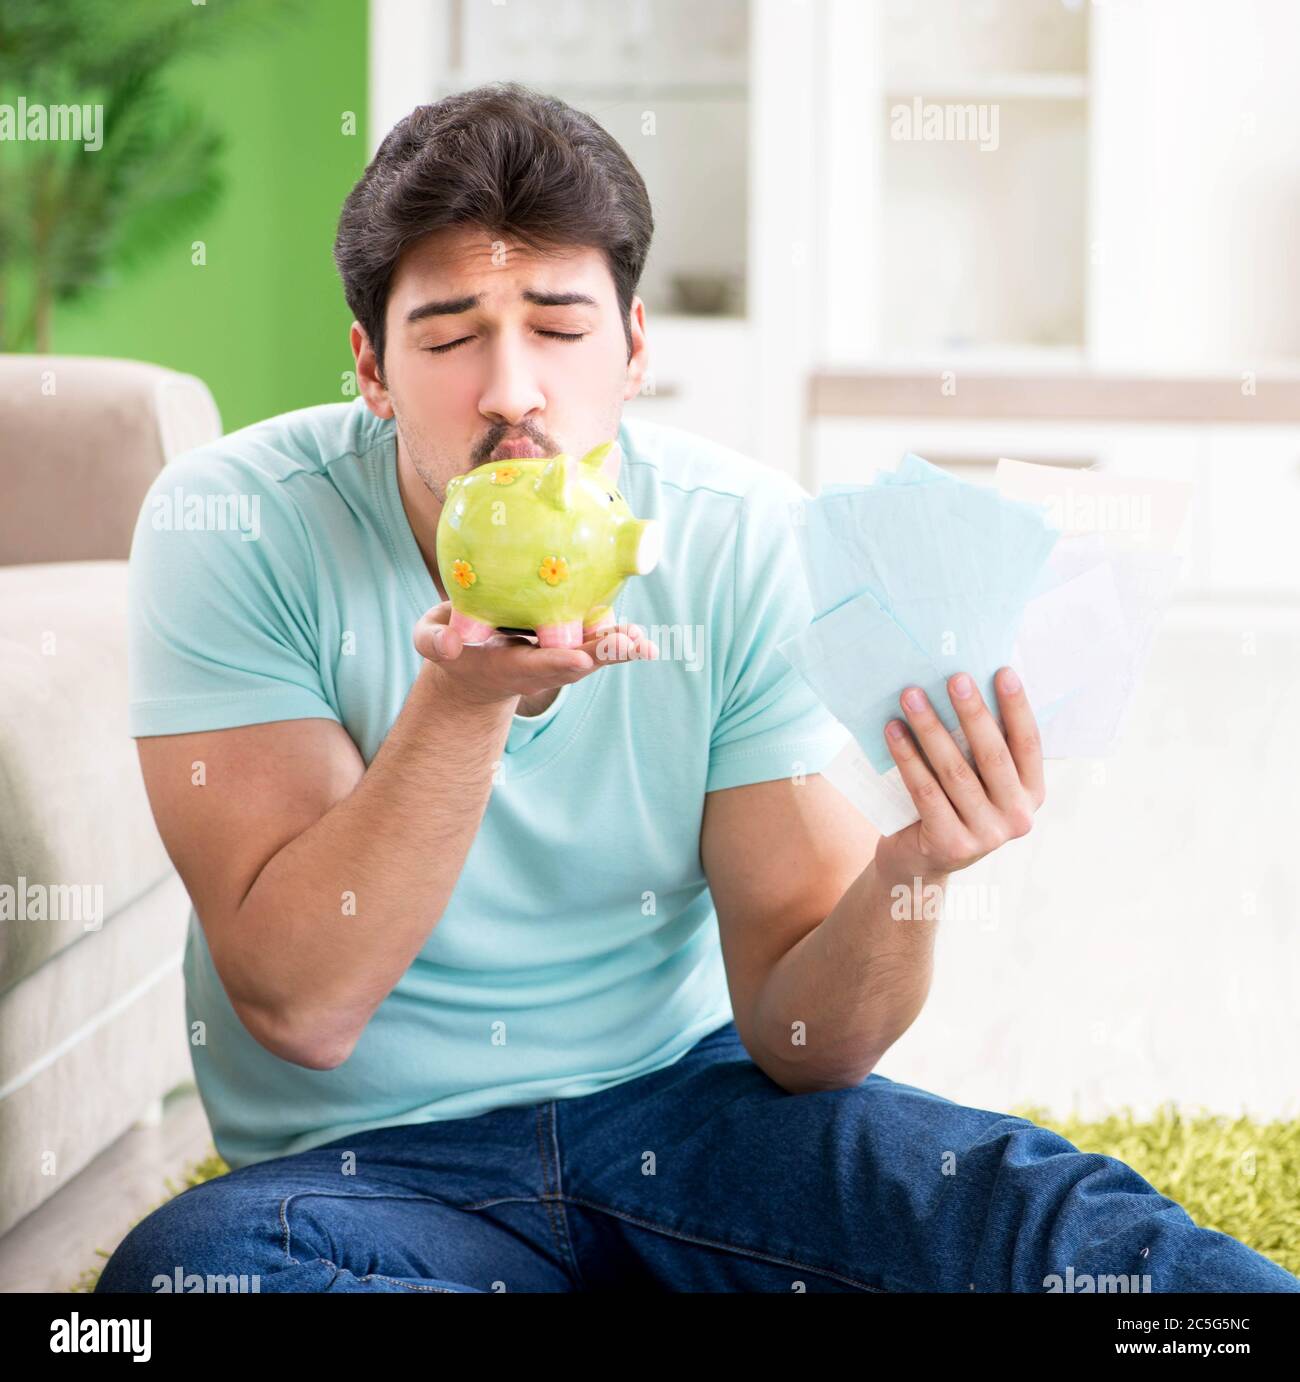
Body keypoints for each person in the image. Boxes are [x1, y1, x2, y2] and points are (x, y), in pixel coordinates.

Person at [97, 83, 1298, 1294]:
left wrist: (913, 865)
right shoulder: (236, 524)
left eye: (559, 329)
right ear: (372, 365)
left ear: (633, 351)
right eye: (451, 338)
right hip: (364, 1175)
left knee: (1029, 1210)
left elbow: (801, 1041)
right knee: (192, 1272)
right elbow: (303, 1009)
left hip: (680, 1118)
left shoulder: (740, 537)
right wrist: (463, 704)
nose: (511, 389)